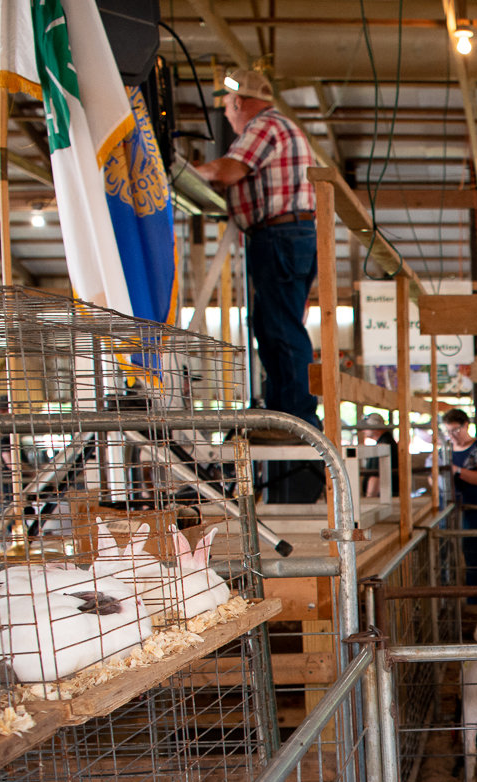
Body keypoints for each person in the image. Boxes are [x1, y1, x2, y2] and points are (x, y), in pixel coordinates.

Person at [197, 67, 322, 502]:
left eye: (228, 107)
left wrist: (195, 171)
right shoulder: (279, 126)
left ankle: (295, 416)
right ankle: (286, 410)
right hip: (286, 235)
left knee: (280, 328)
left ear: (238, 103)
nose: (227, 115)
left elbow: (230, 171)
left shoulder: (264, 125)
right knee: (275, 325)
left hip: (280, 235)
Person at [442, 408, 477, 600]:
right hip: (448, 512)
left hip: (475, 510)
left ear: (466, 426)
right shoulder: (445, 450)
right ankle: (447, 601)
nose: (452, 435)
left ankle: (475, 602)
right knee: (444, 555)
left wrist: (457, 471)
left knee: (472, 554)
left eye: (456, 430)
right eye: (448, 431)